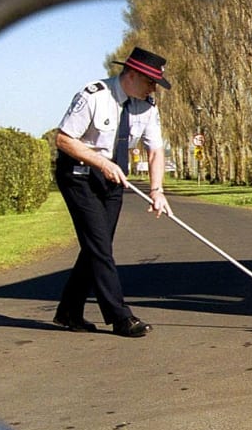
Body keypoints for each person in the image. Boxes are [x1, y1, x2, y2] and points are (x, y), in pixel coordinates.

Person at [52, 47, 173, 338]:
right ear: (132, 75)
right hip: (79, 177)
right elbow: (63, 140)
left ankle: (68, 312)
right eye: (150, 82)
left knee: (97, 246)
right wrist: (100, 162)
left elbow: (155, 149)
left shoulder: (147, 106)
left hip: (113, 182)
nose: (153, 88)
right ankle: (120, 317)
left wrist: (157, 190)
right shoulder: (93, 96)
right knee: (100, 248)